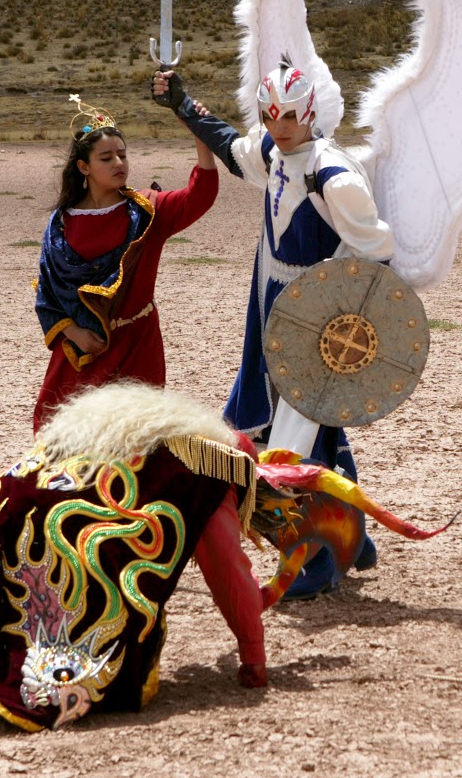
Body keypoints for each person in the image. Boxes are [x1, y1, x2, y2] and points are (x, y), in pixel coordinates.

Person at [0, 383, 269, 736]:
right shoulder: (219, 464)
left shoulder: (139, 419)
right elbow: (227, 571)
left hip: (11, 493)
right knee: (64, 645)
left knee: (1, 605)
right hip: (65, 523)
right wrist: (253, 654)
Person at [154, 63, 394, 599]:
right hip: (268, 305)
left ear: (309, 112)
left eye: (289, 115)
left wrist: (332, 313)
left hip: (316, 320)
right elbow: (233, 148)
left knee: (291, 436)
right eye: (271, 115)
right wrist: (183, 105)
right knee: (309, 423)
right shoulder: (272, 151)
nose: (280, 125)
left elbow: (375, 248)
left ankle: (312, 559)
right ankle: (352, 536)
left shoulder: (335, 176)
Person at [31, 80, 220, 430]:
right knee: (69, 438)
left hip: (138, 345)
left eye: (123, 155)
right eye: (107, 157)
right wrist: (73, 332)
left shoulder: (148, 212)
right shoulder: (60, 225)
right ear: (84, 167)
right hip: (86, 349)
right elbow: (48, 293)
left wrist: (200, 133)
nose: (119, 163)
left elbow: (201, 195)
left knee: (139, 438)